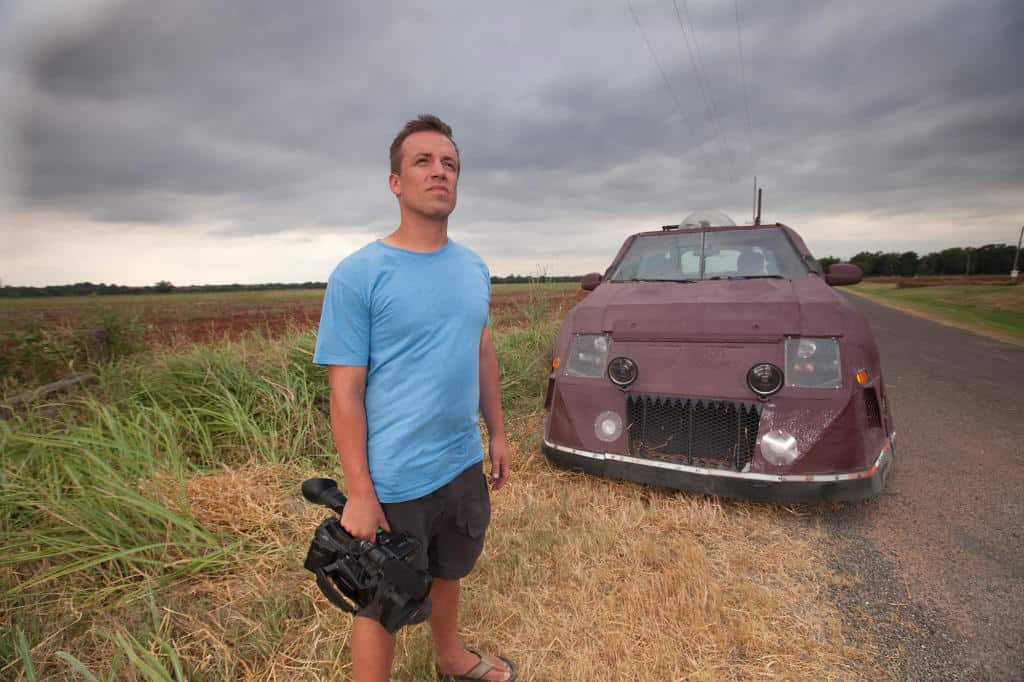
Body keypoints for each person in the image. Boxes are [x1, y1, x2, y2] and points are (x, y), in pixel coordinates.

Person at [313, 114, 515, 682]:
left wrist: (497, 433)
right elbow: (345, 391)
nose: (439, 172)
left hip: (460, 462)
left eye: (449, 163)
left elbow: (481, 351)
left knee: (450, 569)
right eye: (423, 161)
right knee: (380, 599)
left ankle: (450, 660)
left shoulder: (473, 268)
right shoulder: (360, 274)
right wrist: (360, 493)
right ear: (396, 183)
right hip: (395, 477)